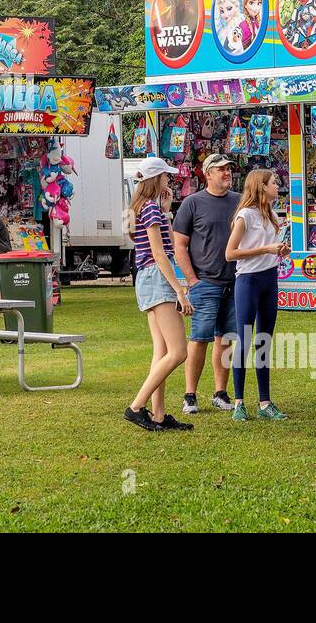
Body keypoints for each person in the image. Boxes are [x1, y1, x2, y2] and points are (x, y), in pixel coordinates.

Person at [124, 157, 194, 433]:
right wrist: (179, 290)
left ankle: (158, 414)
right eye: (166, 176)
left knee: (162, 350)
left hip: (146, 278)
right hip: (156, 277)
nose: (170, 180)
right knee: (178, 351)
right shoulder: (150, 209)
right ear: (156, 179)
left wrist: (165, 210)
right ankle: (137, 407)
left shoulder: (145, 208)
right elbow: (159, 254)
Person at [173, 153, 239, 414]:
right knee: (199, 338)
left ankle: (220, 392)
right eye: (220, 169)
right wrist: (192, 280)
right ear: (207, 174)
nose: (226, 173)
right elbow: (180, 245)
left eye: (228, 169)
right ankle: (190, 395)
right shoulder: (192, 203)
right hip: (205, 283)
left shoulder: (239, 201)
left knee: (226, 339)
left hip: (235, 282)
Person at [224, 168, 291, 421]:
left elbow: (266, 250)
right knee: (243, 340)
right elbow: (230, 254)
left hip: (269, 280)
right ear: (261, 186)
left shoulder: (272, 214)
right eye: (274, 182)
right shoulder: (245, 216)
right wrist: (265, 248)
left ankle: (265, 403)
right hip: (248, 282)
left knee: (264, 340)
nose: (278, 185)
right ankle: (239, 401)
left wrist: (279, 251)